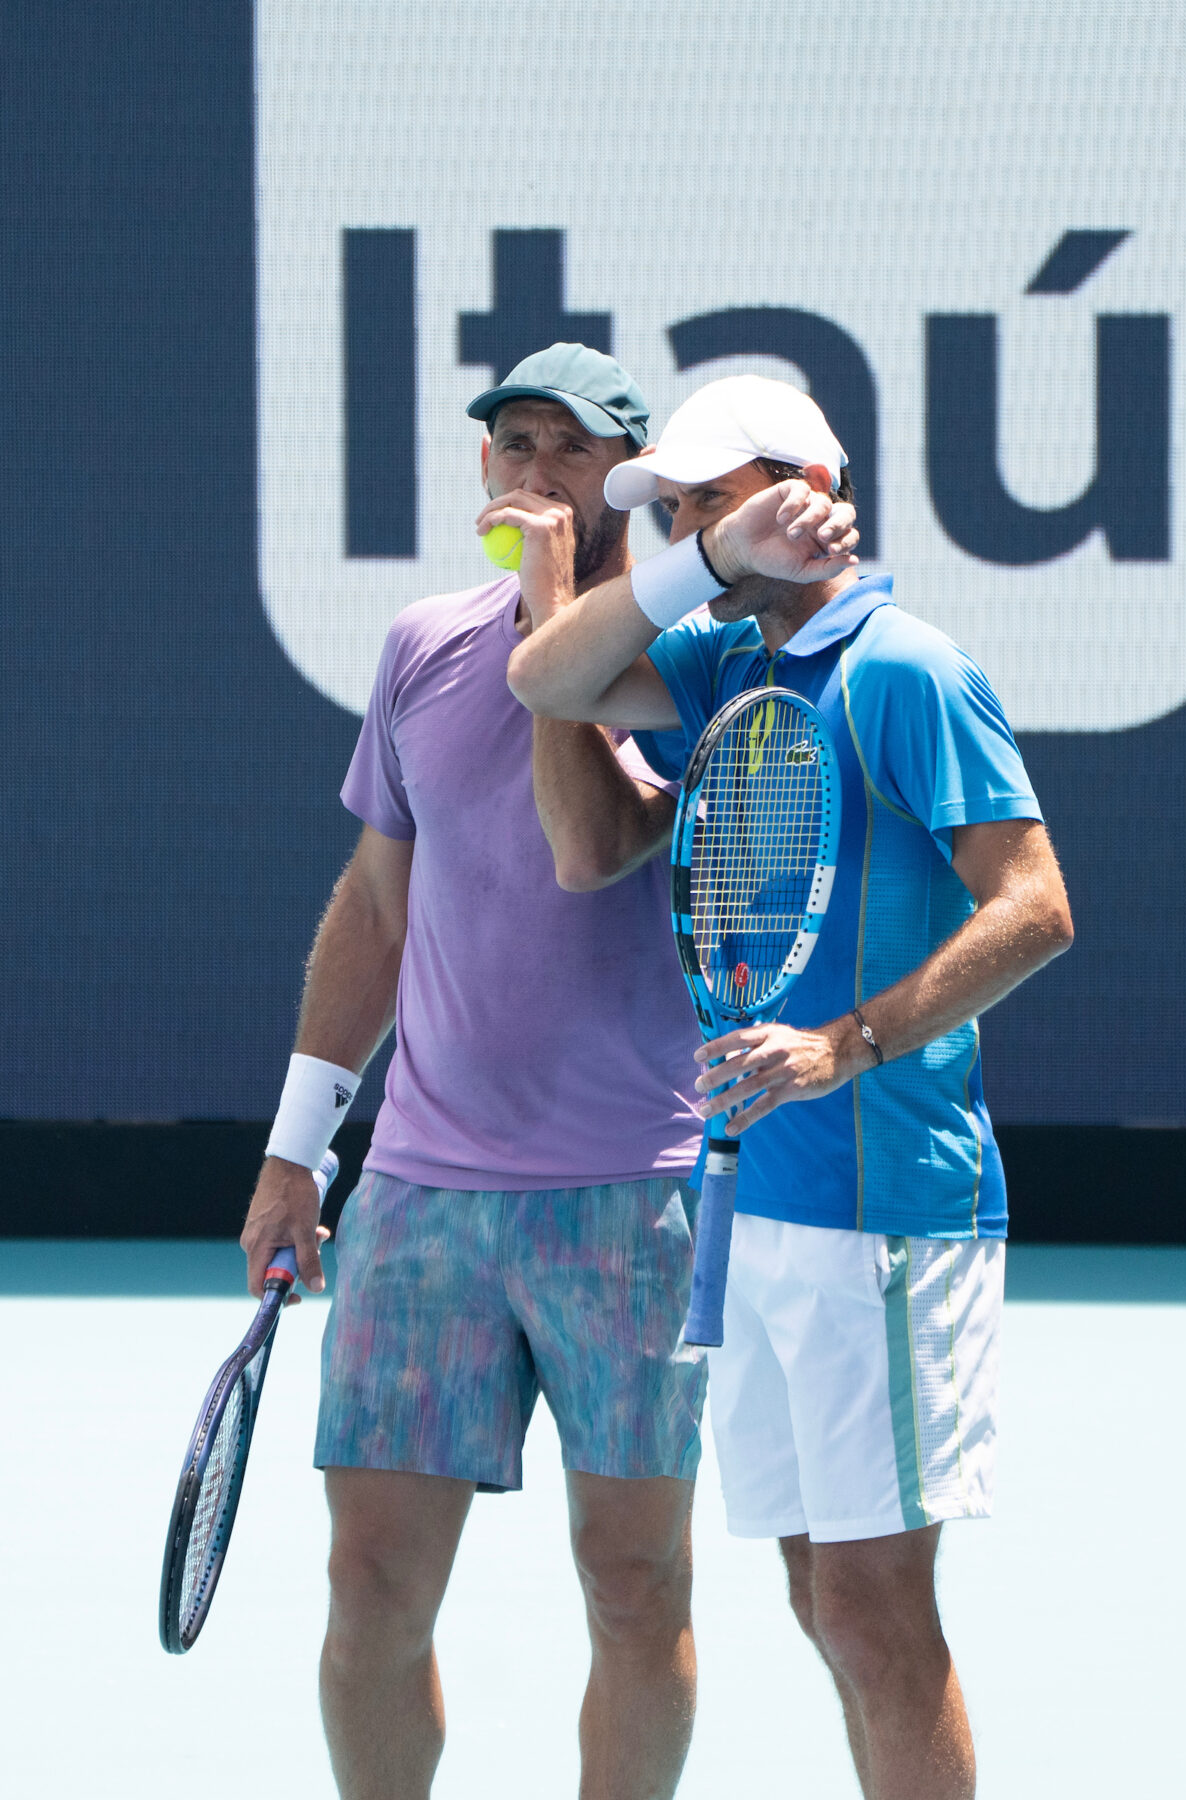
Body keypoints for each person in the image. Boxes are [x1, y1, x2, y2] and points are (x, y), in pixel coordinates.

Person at [239, 344, 861, 1800]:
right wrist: (297, 1149)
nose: (535, 473)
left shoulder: (698, 665)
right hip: (419, 1199)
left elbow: (595, 848)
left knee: (634, 1586)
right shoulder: (416, 647)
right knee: (370, 1587)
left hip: (637, 1201)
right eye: (513, 444)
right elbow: (376, 909)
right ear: (483, 467)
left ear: (626, 484)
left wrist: (554, 609)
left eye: (571, 450)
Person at [504, 373, 1074, 1800]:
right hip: (762, 1205)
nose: (689, 526)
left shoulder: (910, 671)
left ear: (810, 491)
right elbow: (550, 681)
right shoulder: (725, 664)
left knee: (878, 1616)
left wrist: (848, 1044)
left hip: (887, 1209)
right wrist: (710, 556)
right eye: (678, 510)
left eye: (716, 496)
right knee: (824, 1593)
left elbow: (1037, 907)